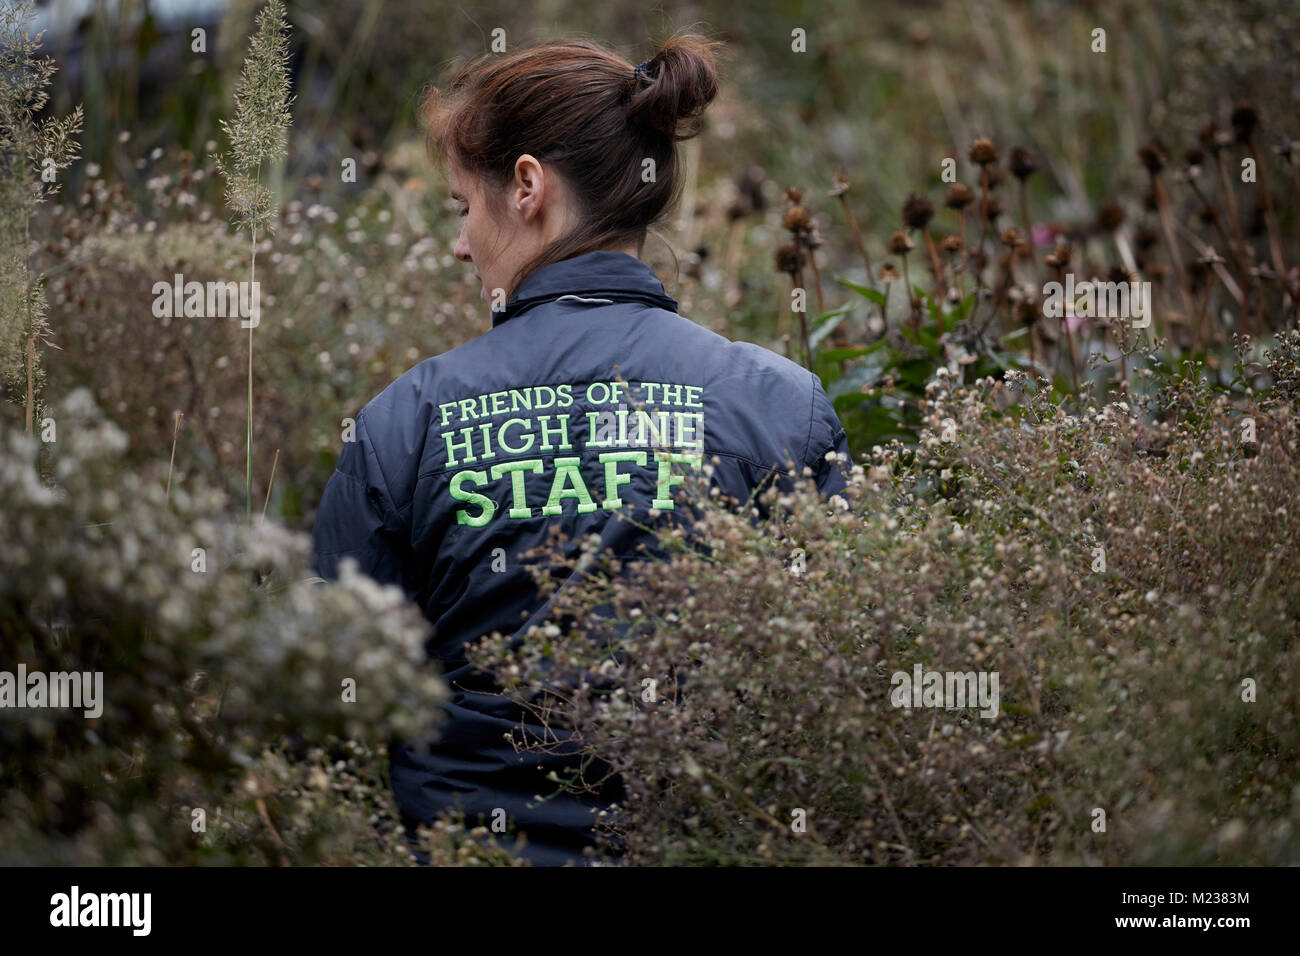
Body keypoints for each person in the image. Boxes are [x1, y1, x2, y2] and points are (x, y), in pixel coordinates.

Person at [311, 33, 853, 867]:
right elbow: (841, 689)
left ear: (527, 186)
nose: (461, 245)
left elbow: (332, 707)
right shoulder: (781, 405)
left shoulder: (401, 423)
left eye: (463, 208)